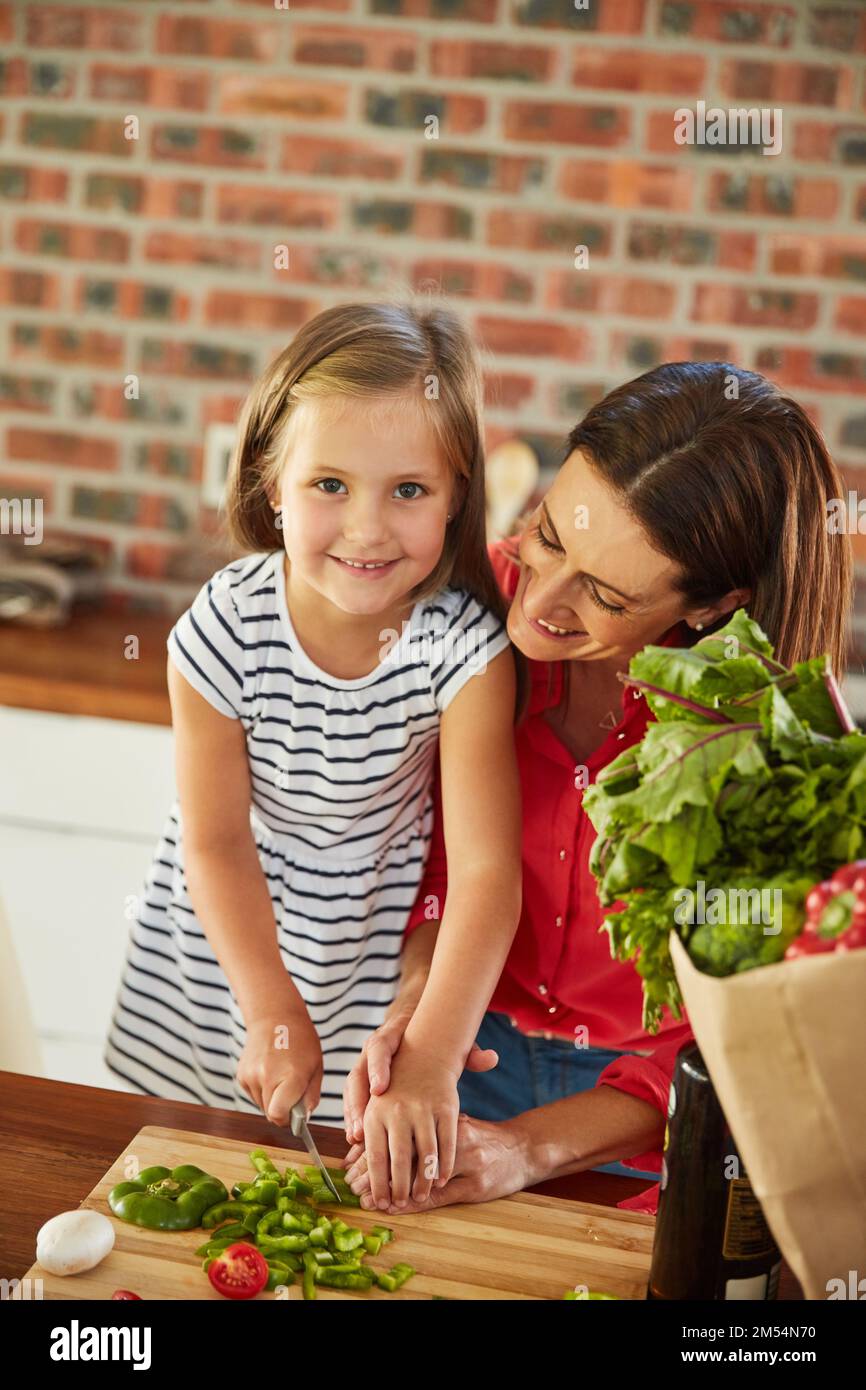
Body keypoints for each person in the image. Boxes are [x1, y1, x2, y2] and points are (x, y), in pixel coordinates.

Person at [342, 360, 853, 1214]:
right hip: (472, 1053)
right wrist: (417, 1014)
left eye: (606, 594)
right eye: (548, 536)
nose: (537, 599)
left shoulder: (788, 744)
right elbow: (436, 865)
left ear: (711, 606)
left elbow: (756, 1032)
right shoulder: (467, 606)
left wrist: (528, 1149)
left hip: (655, 1115)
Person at [104, 301, 523, 1205]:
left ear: (456, 499)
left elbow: (490, 876)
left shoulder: (464, 652)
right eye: (329, 484)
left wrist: (431, 1058)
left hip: (363, 966)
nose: (367, 530)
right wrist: (269, 1007)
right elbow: (216, 842)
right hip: (218, 966)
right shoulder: (222, 629)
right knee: (178, 1184)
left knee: (326, 1197)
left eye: (408, 490)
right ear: (270, 484)